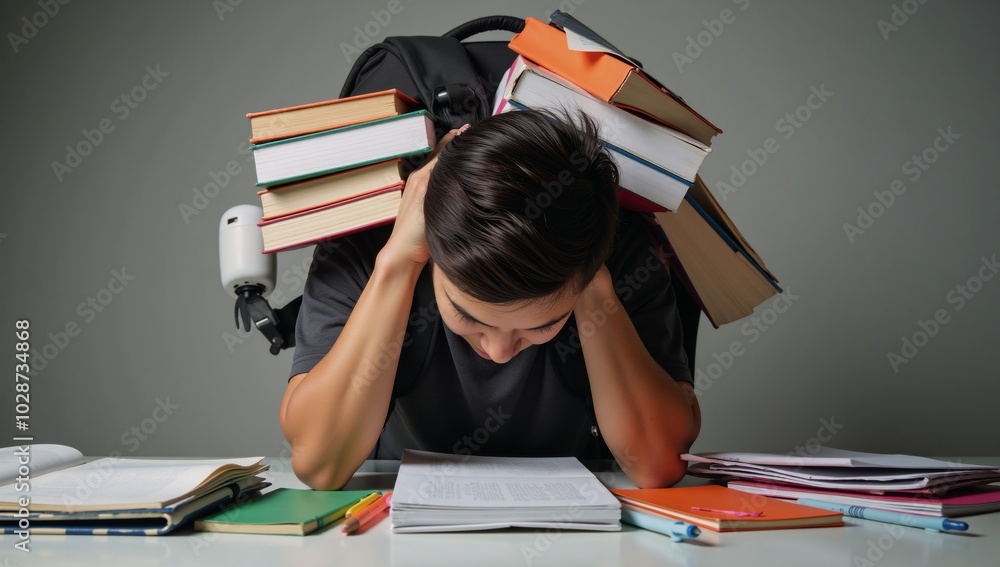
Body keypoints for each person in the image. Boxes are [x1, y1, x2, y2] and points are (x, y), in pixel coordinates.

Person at [279, 110, 701, 490]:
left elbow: (656, 465)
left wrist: (589, 272)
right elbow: (319, 465)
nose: (499, 352)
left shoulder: (623, 256)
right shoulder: (365, 250)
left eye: (540, 325)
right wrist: (397, 263)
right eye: (467, 315)